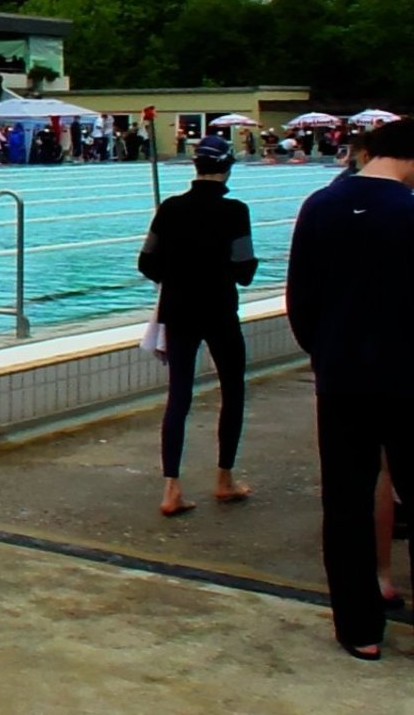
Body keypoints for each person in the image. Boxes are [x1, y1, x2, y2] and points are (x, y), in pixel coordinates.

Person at [287, 117, 414, 660]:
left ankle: (359, 629)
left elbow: (301, 298)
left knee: (346, 502)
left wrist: (326, 352)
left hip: (340, 377)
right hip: (408, 377)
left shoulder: (319, 205)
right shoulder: (411, 211)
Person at [138, 135, 256, 519]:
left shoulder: (170, 209)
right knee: (233, 391)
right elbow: (245, 271)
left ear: (196, 167)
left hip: (180, 311)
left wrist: (175, 275)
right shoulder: (235, 211)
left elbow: (146, 262)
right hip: (219, 310)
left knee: (179, 398)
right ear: (227, 168)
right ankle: (224, 479)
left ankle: (171, 489)